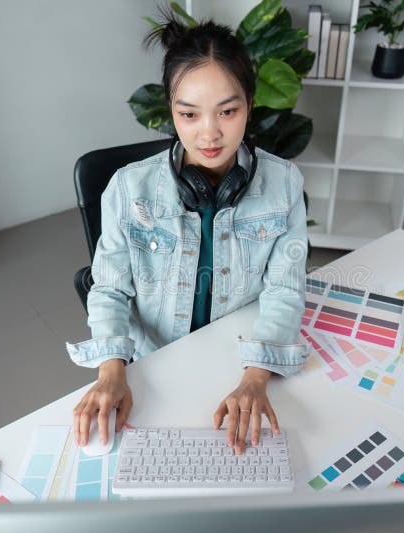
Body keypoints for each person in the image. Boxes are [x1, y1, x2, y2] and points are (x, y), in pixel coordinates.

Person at [67, 13, 309, 456]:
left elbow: (285, 287)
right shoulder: (127, 188)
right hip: (153, 364)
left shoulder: (285, 184)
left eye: (228, 111)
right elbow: (109, 288)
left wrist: (256, 378)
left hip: (236, 355)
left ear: (250, 105)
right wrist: (111, 372)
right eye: (189, 114)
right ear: (171, 109)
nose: (209, 132)